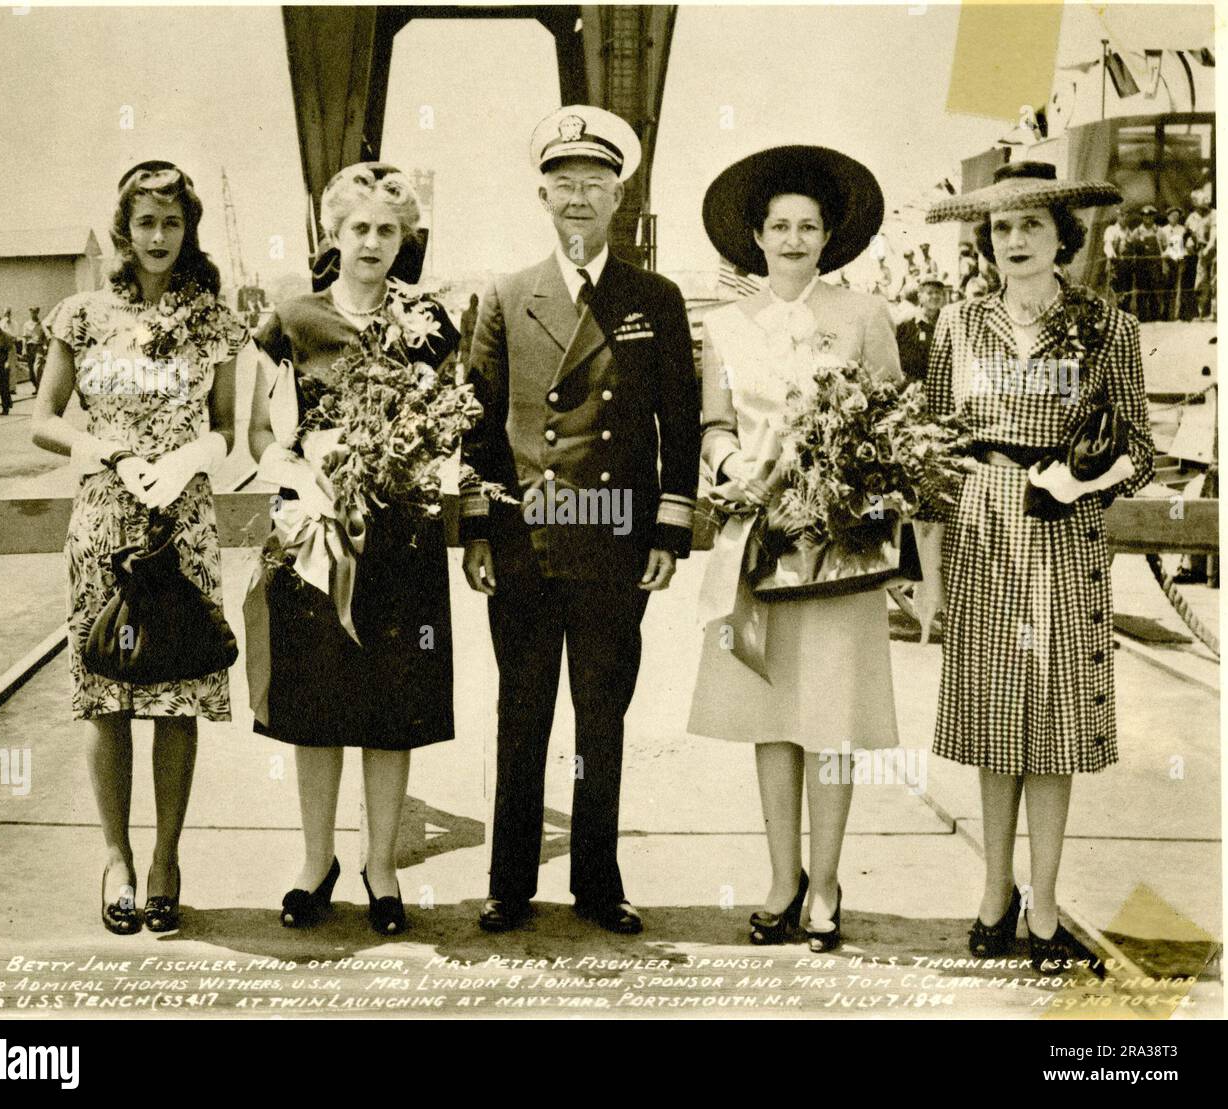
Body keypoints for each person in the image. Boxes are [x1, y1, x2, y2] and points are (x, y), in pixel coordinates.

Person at [460, 105, 699, 935]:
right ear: (542, 194)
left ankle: (598, 880)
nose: (579, 197)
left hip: (613, 540)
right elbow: (477, 424)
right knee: (520, 712)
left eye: (595, 182)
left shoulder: (655, 298)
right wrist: (478, 528)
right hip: (527, 539)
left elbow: (682, 419)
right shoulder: (501, 296)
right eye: (564, 183)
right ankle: (509, 881)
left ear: (618, 196)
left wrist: (671, 528)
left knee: (602, 715)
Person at [925, 162, 1154, 972]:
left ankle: (1048, 899)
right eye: (999, 227)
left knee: (1053, 724)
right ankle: (996, 888)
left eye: (1030, 225)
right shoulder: (957, 321)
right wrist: (928, 564)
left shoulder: (1108, 326)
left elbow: (1143, 452)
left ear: (1064, 235)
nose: (1012, 240)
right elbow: (933, 443)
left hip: (1064, 527)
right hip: (983, 524)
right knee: (995, 720)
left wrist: (1081, 476)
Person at [691, 145, 902, 950]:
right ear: (755, 235)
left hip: (838, 545)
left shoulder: (864, 315)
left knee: (832, 717)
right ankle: (781, 879)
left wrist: (847, 472)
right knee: (771, 713)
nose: (791, 238)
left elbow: (890, 423)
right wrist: (731, 462)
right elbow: (713, 426)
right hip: (758, 540)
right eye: (777, 225)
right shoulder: (724, 323)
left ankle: (825, 883)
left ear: (828, 237)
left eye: (807, 225)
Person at [31, 161, 247, 936]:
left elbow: (228, 429)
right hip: (103, 520)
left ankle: (165, 860)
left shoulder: (214, 319)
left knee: (177, 690)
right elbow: (43, 417)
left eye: (172, 222)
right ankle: (116, 857)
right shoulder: (81, 313)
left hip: (181, 523)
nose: (158, 237)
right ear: (124, 229)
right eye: (145, 222)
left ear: (189, 231)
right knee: (106, 690)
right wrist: (107, 451)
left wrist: (190, 458)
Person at [247, 162, 459, 937]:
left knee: (390, 703)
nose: (373, 242)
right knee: (315, 701)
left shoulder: (429, 321)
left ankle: (381, 862)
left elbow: (444, 424)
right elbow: (262, 432)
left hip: (399, 535)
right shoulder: (291, 321)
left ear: (406, 241)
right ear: (331, 236)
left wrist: (415, 463)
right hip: (313, 533)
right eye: (358, 227)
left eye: (388, 230)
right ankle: (314, 860)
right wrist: (300, 478)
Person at [897, 275, 947, 382]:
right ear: (919, 297)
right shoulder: (907, 320)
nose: (935, 296)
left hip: (938, 384)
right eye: (929, 293)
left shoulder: (948, 321)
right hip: (910, 384)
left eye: (938, 292)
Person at [1124, 205, 1162, 321]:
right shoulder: (1137, 231)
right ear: (1142, 217)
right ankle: (1143, 317)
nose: (1148, 219)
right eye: (1145, 216)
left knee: (1155, 291)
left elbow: (1166, 247)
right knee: (1141, 292)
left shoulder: (1159, 231)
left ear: (1153, 217)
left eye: (1150, 216)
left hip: (1155, 265)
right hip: (1141, 266)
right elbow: (1129, 247)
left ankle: (1155, 316)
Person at [1159, 206, 1196, 321]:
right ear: (1168, 217)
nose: (1174, 218)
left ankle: (1179, 314)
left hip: (1180, 260)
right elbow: (1161, 246)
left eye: (1177, 216)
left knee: (1180, 287)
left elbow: (1188, 245)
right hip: (1167, 260)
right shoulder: (1163, 230)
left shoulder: (1183, 229)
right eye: (1172, 216)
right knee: (1167, 288)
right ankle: (1166, 314)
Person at [22, 306, 48, 393]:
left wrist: (45, 346)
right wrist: (24, 349)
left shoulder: (42, 324)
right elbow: (24, 338)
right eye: (32, 312)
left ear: (37, 312)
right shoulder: (26, 324)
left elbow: (45, 337)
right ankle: (37, 387)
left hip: (39, 347)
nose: (33, 314)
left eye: (35, 312)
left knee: (36, 368)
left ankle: (41, 387)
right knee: (31, 372)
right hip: (30, 348)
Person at [459, 291, 478, 368]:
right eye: (473, 301)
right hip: (467, 342)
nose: (474, 303)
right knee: (467, 368)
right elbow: (462, 330)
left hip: (476, 343)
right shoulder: (465, 314)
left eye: (476, 302)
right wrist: (463, 342)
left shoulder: (479, 315)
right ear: (470, 302)